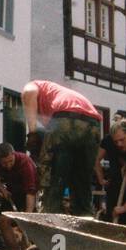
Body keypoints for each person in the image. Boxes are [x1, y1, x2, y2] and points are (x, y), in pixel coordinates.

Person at [21, 80, 102, 215]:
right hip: (92, 123)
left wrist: (32, 133)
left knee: (54, 179)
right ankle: (83, 223)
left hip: (65, 118)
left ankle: (51, 223)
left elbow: (29, 92)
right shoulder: (57, 94)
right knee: (82, 183)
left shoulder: (34, 85)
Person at [0, 142, 38, 250]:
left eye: (10, 161)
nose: (8, 165)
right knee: (3, 221)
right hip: (11, 192)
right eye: (4, 163)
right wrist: (2, 189)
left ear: (13, 154)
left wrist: (27, 216)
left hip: (28, 194)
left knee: (25, 226)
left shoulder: (25, 163)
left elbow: (31, 192)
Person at [95, 112, 126, 215]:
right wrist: (101, 180)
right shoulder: (108, 139)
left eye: (118, 119)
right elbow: (97, 160)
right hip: (114, 181)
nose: (115, 122)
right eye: (114, 120)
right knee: (112, 212)